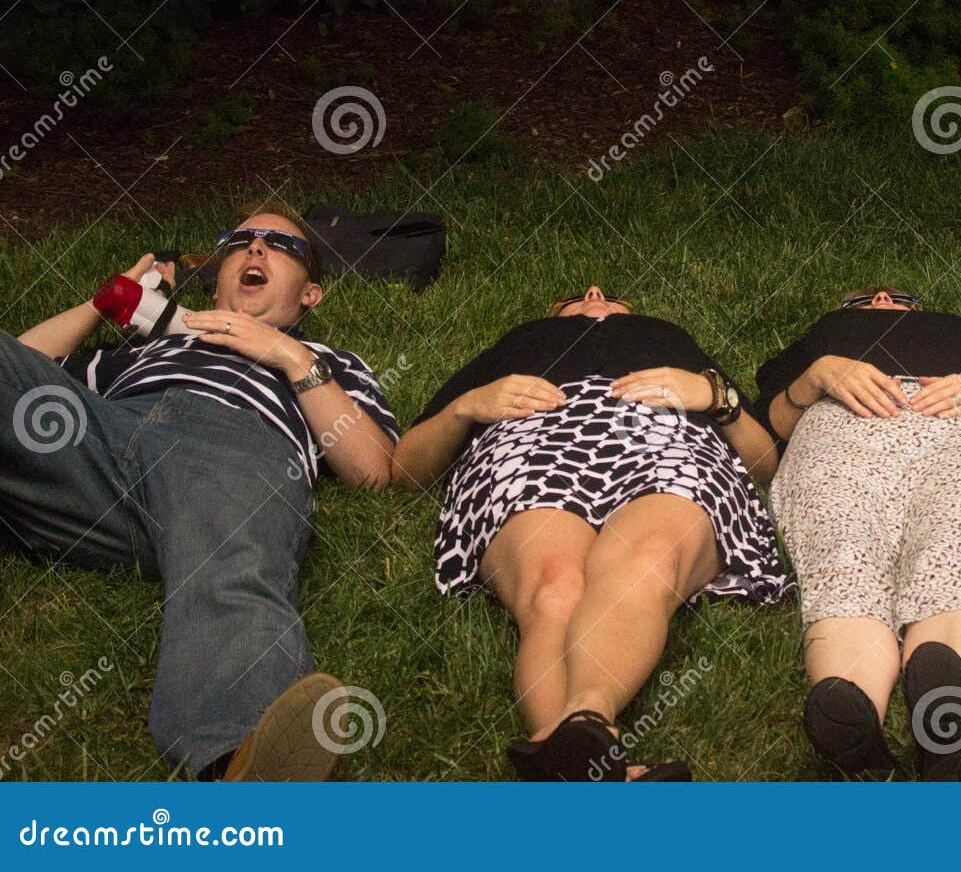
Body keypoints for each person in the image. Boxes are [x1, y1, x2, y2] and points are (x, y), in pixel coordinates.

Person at [0, 201, 398, 780]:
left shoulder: (330, 364)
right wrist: (103, 304)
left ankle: (237, 760)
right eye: (241, 241)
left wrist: (289, 357)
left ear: (310, 295)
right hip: (104, 448)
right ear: (217, 273)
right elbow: (23, 367)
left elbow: (372, 471)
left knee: (228, 563)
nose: (256, 249)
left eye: (278, 245)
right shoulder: (144, 347)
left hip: (228, 453)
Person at [392, 285, 791, 781]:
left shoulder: (673, 343)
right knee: (554, 585)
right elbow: (405, 472)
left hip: (668, 436)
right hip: (533, 438)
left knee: (648, 559)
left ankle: (581, 735)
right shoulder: (516, 346)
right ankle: (598, 750)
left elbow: (764, 464)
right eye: (572, 296)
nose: (595, 292)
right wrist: (467, 406)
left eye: (616, 295)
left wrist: (715, 397)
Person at [755, 286, 961, 781]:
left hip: (959, 435)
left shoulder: (959, 337)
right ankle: (855, 723)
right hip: (839, 436)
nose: (880, 298)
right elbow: (768, 431)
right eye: (859, 300)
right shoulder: (820, 343)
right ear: (840, 313)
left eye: (900, 296)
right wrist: (814, 379)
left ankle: (942, 731)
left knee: (954, 550)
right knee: (844, 557)